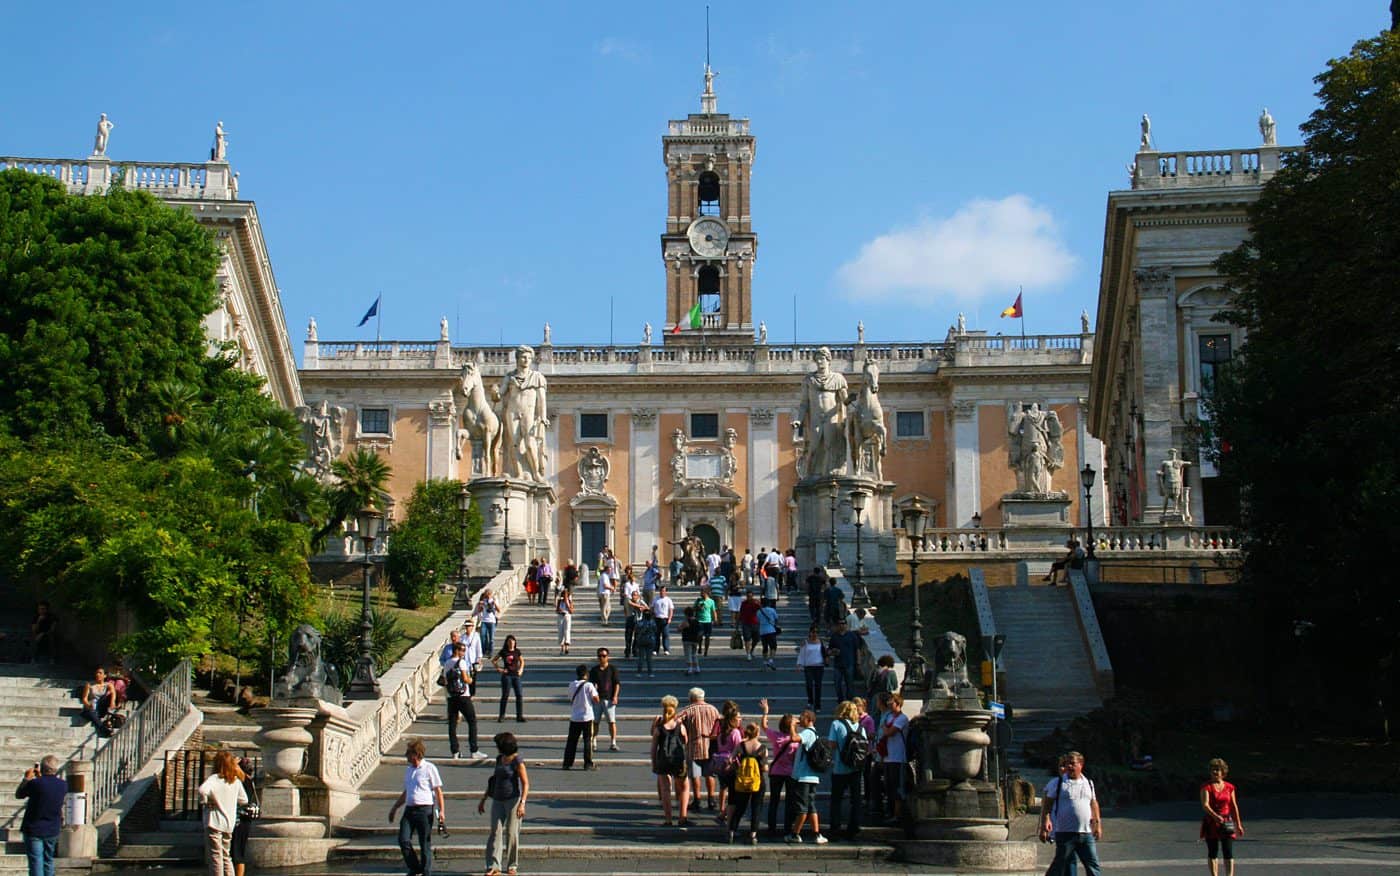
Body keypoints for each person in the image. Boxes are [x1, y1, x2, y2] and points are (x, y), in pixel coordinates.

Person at [1039, 750, 1102, 876]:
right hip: (1065, 833)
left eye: (1072, 763)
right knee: (1060, 864)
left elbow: (1093, 803)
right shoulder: (1059, 783)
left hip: (1086, 832)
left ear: (1081, 765)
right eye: (1068, 763)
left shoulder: (1089, 783)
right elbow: (1047, 805)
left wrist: (1098, 824)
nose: (1069, 766)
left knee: (1093, 865)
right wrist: (1045, 822)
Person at [388, 739, 445, 876]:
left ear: (415, 754)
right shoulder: (409, 770)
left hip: (425, 810)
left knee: (424, 843)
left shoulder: (429, 768)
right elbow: (407, 791)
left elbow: (438, 791)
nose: (406, 755)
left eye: (408, 753)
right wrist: (395, 807)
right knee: (403, 840)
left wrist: (442, 811)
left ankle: (426, 871)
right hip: (409, 810)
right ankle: (414, 866)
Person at [478, 731, 528, 876]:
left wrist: (522, 803)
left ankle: (512, 865)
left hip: (513, 801)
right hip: (498, 800)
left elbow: (525, 784)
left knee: (512, 833)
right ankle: (493, 865)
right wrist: (484, 798)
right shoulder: (500, 759)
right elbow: (494, 780)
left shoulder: (517, 761)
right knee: (495, 832)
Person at [496, 344, 548, 482]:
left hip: (528, 412)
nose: (526, 360)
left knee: (530, 444)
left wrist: (542, 417)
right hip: (512, 412)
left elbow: (541, 399)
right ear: (518, 359)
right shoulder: (509, 377)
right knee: (513, 443)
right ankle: (518, 473)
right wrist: (494, 393)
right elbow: (500, 394)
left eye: (528, 358)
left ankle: (536, 473)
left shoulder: (537, 377)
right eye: (523, 357)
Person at [795, 346, 848, 478]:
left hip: (832, 417)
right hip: (816, 419)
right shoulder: (809, 380)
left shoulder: (837, 379)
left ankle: (829, 477)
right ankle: (811, 475)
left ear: (828, 360)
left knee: (830, 446)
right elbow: (804, 404)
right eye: (817, 359)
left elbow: (844, 400)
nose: (819, 362)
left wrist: (851, 401)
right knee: (814, 447)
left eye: (822, 359)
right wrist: (798, 420)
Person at [198, 750, 249, 876]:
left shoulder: (214, 779)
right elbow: (244, 800)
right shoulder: (235, 781)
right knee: (226, 855)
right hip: (229, 823)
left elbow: (202, 790)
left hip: (214, 821)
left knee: (216, 856)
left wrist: (206, 801)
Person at [17, 755, 66, 876]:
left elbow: (19, 794)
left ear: (42, 768)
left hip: (34, 828)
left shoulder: (35, 783)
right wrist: (40, 777)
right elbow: (47, 788)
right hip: (53, 828)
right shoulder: (63, 784)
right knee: (48, 860)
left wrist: (26, 779)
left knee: (36, 861)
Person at [786, 710, 827, 844]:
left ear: (809, 719)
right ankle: (816, 834)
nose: (799, 719)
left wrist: (792, 726)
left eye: (802, 717)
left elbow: (794, 738)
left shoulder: (808, 733)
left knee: (802, 807)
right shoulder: (813, 733)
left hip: (804, 776)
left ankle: (795, 833)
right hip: (812, 776)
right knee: (810, 806)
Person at [758, 700, 798, 838]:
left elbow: (763, 726)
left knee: (774, 801)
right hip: (791, 772)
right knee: (789, 801)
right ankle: (788, 828)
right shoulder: (795, 740)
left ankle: (771, 827)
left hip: (776, 772)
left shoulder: (776, 737)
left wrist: (766, 711)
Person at [724, 722, 768, 845]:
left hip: (742, 780)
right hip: (757, 781)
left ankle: (732, 831)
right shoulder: (762, 748)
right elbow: (765, 768)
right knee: (756, 808)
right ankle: (753, 835)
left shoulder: (741, 745)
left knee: (740, 807)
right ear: (758, 733)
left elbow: (730, 759)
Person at [827, 701, 865, 840]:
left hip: (840, 767)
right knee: (855, 799)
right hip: (856, 768)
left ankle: (835, 827)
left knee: (836, 799)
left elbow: (832, 744)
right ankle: (854, 826)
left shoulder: (836, 724)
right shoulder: (860, 727)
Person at [680, 688, 721, 812]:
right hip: (711, 746)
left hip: (694, 746)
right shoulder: (713, 709)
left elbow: (677, 721)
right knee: (710, 774)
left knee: (695, 775)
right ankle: (711, 800)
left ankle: (697, 800)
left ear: (691, 698)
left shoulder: (688, 710)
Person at [651, 695, 690, 827]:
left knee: (666, 790)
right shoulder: (680, 725)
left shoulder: (659, 726)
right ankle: (682, 817)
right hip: (678, 760)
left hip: (663, 759)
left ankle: (668, 819)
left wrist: (654, 763)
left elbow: (653, 747)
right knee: (684, 788)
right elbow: (685, 741)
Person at [1200, 758, 1243, 876]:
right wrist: (1215, 816)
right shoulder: (1206, 787)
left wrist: (1238, 824)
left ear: (1223, 772)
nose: (1215, 772)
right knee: (1213, 851)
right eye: (1213, 770)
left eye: (1217, 770)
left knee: (1228, 851)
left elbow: (1233, 806)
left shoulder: (1230, 787)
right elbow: (1205, 805)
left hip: (1227, 821)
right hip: (1211, 821)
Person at [444, 641, 485, 760]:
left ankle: (455, 751)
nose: (464, 653)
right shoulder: (461, 663)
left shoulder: (447, 663)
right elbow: (466, 679)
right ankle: (474, 750)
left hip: (451, 697)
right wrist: (472, 679)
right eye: (462, 650)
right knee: (472, 721)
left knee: (452, 724)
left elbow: (445, 679)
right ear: (457, 650)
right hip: (463, 696)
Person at [877, 692, 910, 825]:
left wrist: (884, 727)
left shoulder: (902, 718)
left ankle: (897, 815)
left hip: (898, 757)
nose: (890, 706)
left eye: (892, 704)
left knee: (897, 786)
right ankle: (890, 812)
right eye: (889, 704)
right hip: (887, 756)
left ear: (898, 704)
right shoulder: (889, 716)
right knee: (888, 786)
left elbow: (889, 732)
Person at [562, 665, 600, 770]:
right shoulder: (589, 685)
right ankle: (588, 763)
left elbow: (570, 698)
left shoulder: (571, 685)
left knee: (572, 741)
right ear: (586, 674)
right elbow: (596, 700)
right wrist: (596, 690)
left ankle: (567, 763)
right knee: (587, 740)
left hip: (575, 717)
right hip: (587, 717)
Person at [588, 648, 622, 751]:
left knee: (612, 722)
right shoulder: (594, 670)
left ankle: (613, 742)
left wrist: (615, 696)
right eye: (599, 656)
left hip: (609, 699)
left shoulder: (612, 669)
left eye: (604, 656)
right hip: (597, 699)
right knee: (595, 722)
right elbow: (591, 684)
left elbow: (616, 684)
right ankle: (593, 742)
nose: (601, 658)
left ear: (608, 657)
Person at [712, 705, 743, 820]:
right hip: (732, 766)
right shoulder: (735, 733)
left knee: (723, 788)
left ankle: (722, 810)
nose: (740, 720)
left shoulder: (722, 734)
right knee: (734, 794)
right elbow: (738, 749)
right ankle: (729, 817)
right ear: (732, 720)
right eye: (738, 718)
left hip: (721, 765)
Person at [230, 757, 258, 876]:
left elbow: (236, 770)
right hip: (243, 820)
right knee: (237, 852)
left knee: (237, 853)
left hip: (241, 820)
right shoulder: (248, 781)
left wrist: (232, 762)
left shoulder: (244, 780)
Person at [491, 635, 526, 722]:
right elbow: (494, 660)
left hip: (516, 675)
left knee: (519, 695)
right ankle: (502, 716)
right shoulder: (504, 651)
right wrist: (499, 669)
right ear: (507, 643)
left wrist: (521, 669)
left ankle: (519, 716)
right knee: (505, 695)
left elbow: (522, 661)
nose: (512, 643)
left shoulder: (517, 651)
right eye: (510, 642)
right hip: (507, 675)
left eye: (513, 642)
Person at [828, 619, 862, 703]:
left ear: (846, 625)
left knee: (849, 684)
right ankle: (840, 700)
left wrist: (858, 662)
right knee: (837, 684)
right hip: (838, 665)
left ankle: (849, 701)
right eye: (840, 623)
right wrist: (833, 652)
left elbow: (857, 649)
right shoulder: (834, 636)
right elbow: (829, 650)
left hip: (849, 664)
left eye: (843, 623)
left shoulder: (852, 635)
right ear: (837, 625)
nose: (842, 625)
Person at [796, 626, 828, 712]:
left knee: (818, 686)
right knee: (809, 684)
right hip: (808, 666)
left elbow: (826, 653)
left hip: (819, 666)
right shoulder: (805, 643)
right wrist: (799, 664)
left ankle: (818, 705)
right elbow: (802, 654)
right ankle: (810, 700)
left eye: (817, 632)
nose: (814, 634)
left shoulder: (821, 642)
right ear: (810, 632)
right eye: (813, 632)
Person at [80, 667, 115, 735]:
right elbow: (84, 699)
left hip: (100, 707)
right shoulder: (89, 685)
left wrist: (112, 702)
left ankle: (106, 723)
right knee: (92, 714)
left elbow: (113, 693)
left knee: (106, 697)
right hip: (90, 708)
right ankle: (105, 730)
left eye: (100, 673)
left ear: (105, 675)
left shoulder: (108, 685)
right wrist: (88, 705)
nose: (98, 674)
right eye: (96, 673)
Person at [473, 589, 501, 656]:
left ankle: (490, 651)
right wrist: (479, 605)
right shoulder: (483, 601)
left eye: (489, 594)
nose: (488, 595)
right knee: (483, 636)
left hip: (492, 621)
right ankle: (484, 650)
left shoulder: (494, 600)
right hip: (484, 621)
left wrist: (494, 603)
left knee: (491, 638)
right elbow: (479, 610)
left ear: (491, 594)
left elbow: (499, 610)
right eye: (487, 594)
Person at [693, 585, 717, 656]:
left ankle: (706, 650)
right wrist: (698, 607)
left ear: (706, 593)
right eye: (700, 592)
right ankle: (700, 646)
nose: (701, 594)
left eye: (702, 592)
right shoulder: (698, 600)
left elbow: (713, 611)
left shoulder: (711, 601)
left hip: (708, 621)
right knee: (699, 635)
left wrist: (715, 619)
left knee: (707, 636)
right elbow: (693, 609)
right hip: (699, 621)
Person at [651, 585, 675, 655]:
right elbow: (652, 608)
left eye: (664, 591)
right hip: (657, 618)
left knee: (665, 635)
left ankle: (666, 649)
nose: (662, 592)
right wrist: (652, 616)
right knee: (656, 635)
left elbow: (671, 609)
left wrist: (670, 618)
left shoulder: (668, 600)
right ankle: (655, 649)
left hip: (665, 619)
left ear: (666, 592)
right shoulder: (656, 599)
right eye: (661, 591)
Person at [757, 598, 781, 669]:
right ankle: (770, 660)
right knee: (773, 646)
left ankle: (764, 661)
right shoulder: (772, 610)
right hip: (771, 630)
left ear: (762, 604)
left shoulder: (758, 612)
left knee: (765, 647)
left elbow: (758, 621)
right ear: (769, 603)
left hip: (762, 631)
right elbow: (776, 618)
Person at [738, 592, 762, 661]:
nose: (749, 598)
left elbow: (761, 609)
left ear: (752, 596)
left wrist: (758, 603)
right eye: (748, 596)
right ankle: (748, 654)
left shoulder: (755, 603)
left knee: (757, 639)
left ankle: (752, 649)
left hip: (755, 623)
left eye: (750, 596)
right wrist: (737, 623)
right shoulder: (744, 603)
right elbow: (740, 612)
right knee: (747, 639)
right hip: (746, 624)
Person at [634, 609, 658, 677]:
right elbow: (655, 630)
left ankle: (639, 672)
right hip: (650, 640)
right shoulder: (652, 622)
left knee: (641, 657)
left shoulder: (639, 622)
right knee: (649, 658)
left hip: (641, 640)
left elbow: (636, 630)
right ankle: (650, 673)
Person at [679, 606, 701, 675]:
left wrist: (680, 626)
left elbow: (679, 628)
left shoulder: (686, 621)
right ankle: (697, 668)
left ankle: (690, 669)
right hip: (695, 640)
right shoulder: (697, 621)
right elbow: (700, 631)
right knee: (694, 654)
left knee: (688, 654)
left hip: (687, 640)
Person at [555, 584, 574, 656]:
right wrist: (559, 610)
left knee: (567, 631)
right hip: (560, 616)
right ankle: (562, 647)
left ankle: (567, 647)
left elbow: (571, 611)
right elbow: (556, 610)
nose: (565, 596)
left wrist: (567, 603)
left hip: (567, 616)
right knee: (561, 631)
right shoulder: (560, 601)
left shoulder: (569, 601)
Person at [596, 561, 616, 626]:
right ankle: (605, 620)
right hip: (605, 593)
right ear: (606, 570)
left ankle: (604, 620)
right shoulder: (604, 576)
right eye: (609, 570)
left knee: (607, 608)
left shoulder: (605, 576)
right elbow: (605, 585)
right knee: (605, 608)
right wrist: (611, 588)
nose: (610, 571)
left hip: (604, 593)